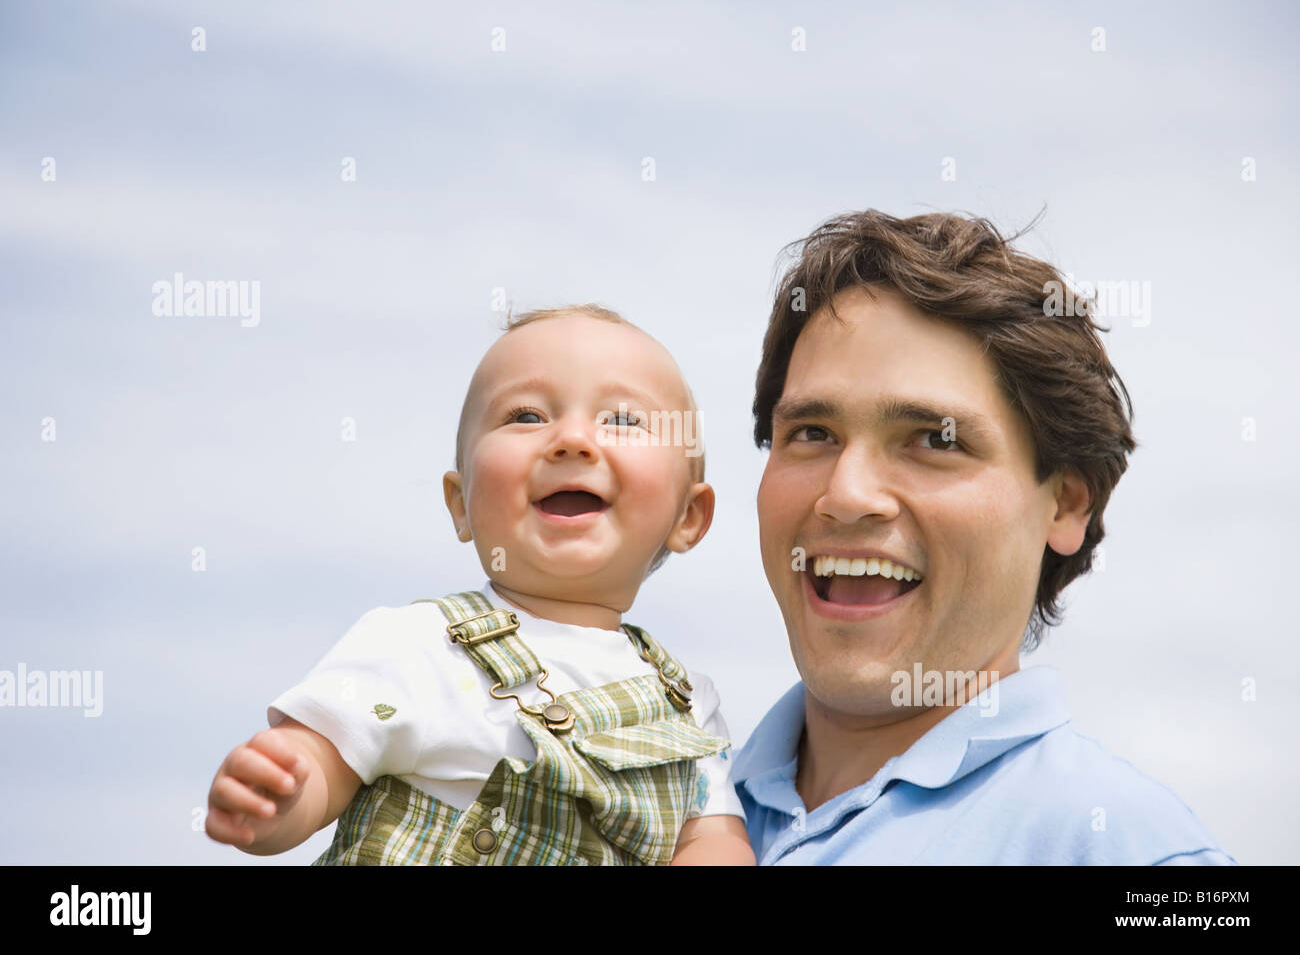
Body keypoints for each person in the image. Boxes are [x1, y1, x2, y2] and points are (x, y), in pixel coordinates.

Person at [734, 210, 1236, 865]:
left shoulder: (1139, 857)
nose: (848, 495)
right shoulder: (648, 803)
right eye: (813, 433)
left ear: (1066, 503)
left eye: (932, 441)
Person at [205, 304, 754, 865]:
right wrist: (278, 793)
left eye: (622, 419)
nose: (572, 440)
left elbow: (711, 838)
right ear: (460, 504)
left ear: (689, 516)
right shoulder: (416, 643)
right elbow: (322, 761)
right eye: (526, 416)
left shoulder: (685, 703)